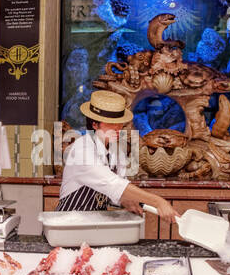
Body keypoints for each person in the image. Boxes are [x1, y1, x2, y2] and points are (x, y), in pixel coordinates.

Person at [56, 90, 176, 221]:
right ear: (95, 124)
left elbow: (116, 191)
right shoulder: (82, 149)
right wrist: (158, 202)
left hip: (91, 226)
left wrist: (125, 201)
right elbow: (112, 183)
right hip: (66, 226)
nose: (118, 128)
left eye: (119, 123)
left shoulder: (115, 152)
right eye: (111, 123)